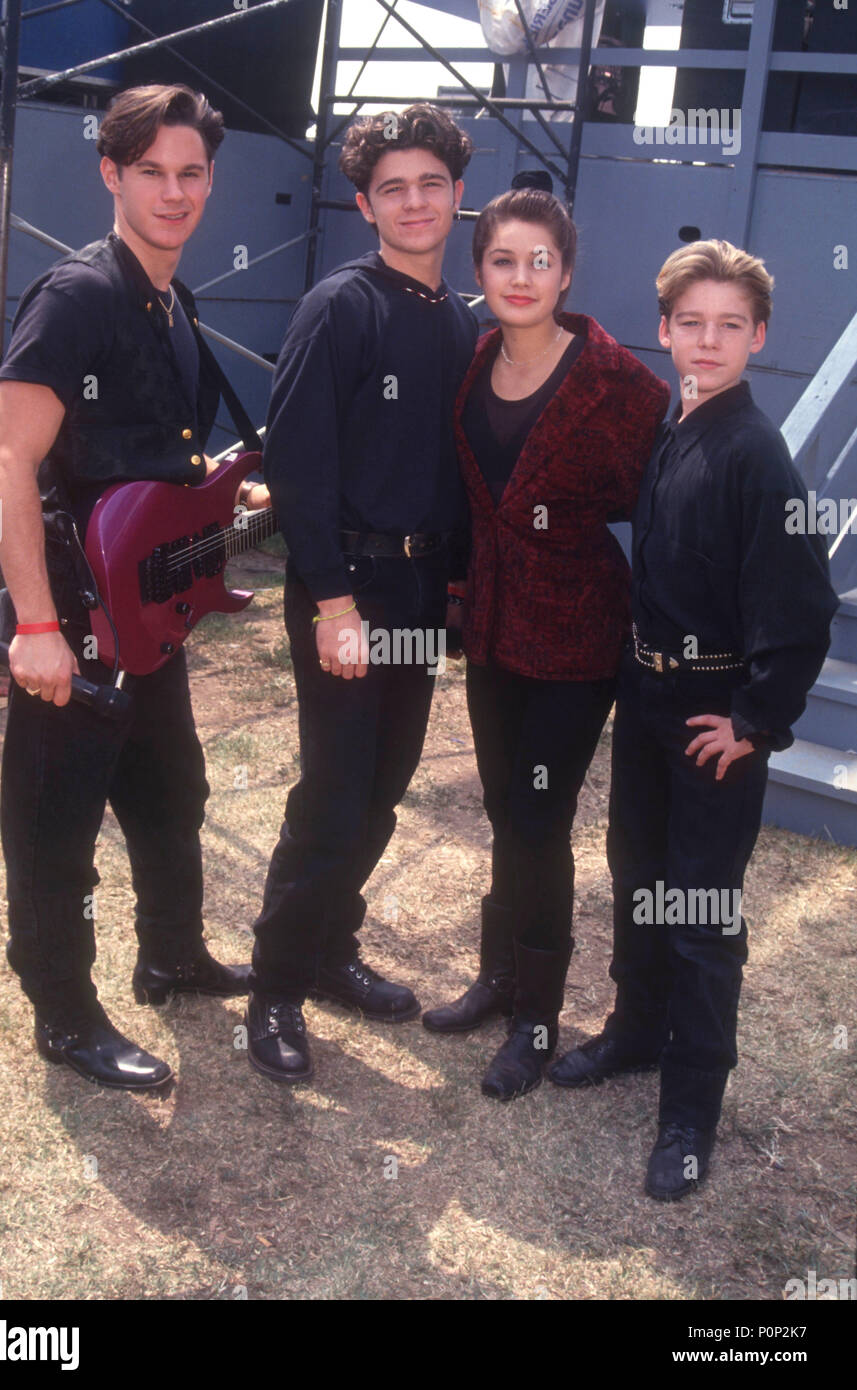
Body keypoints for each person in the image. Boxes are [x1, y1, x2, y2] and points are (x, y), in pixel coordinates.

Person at [0, 85, 266, 1094]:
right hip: (74, 626)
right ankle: (64, 1014)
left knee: (170, 792)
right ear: (111, 173)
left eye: (191, 173)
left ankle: (171, 955)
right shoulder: (76, 297)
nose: (174, 191)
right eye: (151, 170)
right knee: (55, 826)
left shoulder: (174, 303)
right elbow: (7, 464)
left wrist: (226, 491)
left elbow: (153, 469)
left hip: (151, 618)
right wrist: (37, 628)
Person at [549, 240, 839, 1200]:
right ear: (665, 329)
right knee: (637, 878)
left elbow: (802, 607)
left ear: (757, 336)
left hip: (712, 719)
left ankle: (689, 1111)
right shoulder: (680, 420)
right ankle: (634, 1034)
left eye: (728, 326)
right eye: (690, 324)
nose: (706, 342)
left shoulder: (754, 452)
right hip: (648, 699)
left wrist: (753, 719)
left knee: (701, 914)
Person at [245, 104, 477, 1083]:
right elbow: (294, 464)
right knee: (333, 792)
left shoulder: (458, 320)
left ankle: (332, 946)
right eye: (394, 187)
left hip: (420, 591)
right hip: (351, 589)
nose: (414, 201)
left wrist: (459, 588)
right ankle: (272, 990)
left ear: (456, 195)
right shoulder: (339, 304)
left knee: (382, 786)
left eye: (430, 184)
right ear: (364, 201)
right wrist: (334, 603)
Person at [422, 187, 670, 1102]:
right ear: (477, 270)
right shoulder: (475, 356)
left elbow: (666, 499)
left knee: (538, 820)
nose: (519, 277)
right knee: (502, 810)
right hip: (490, 629)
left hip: (573, 637)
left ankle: (536, 1018)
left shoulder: (619, 382)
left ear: (566, 273)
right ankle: (496, 980)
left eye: (538, 262)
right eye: (500, 261)